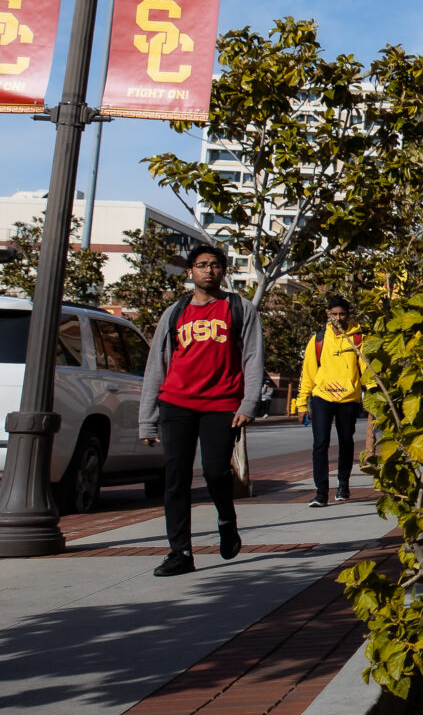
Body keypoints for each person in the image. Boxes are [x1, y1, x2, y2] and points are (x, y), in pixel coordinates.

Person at [137, 244, 264, 577]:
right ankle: (180, 552)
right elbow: (157, 365)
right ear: (190, 271)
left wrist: (248, 403)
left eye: (215, 265)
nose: (209, 270)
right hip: (175, 402)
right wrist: (147, 421)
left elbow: (252, 357)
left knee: (214, 472)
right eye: (202, 265)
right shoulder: (175, 313)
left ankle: (226, 519)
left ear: (223, 271)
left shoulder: (239, 308)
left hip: (222, 404)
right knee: (175, 478)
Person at [293, 295, 367, 507]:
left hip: (348, 399)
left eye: (341, 314)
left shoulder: (358, 338)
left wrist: (372, 393)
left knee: (346, 443)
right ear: (328, 315)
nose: (338, 318)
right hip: (322, 397)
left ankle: (343, 484)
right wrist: (301, 404)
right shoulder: (318, 339)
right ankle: (321, 492)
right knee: (320, 444)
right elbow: (307, 373)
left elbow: (366, 370)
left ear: (348, 315)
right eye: (333, 314)